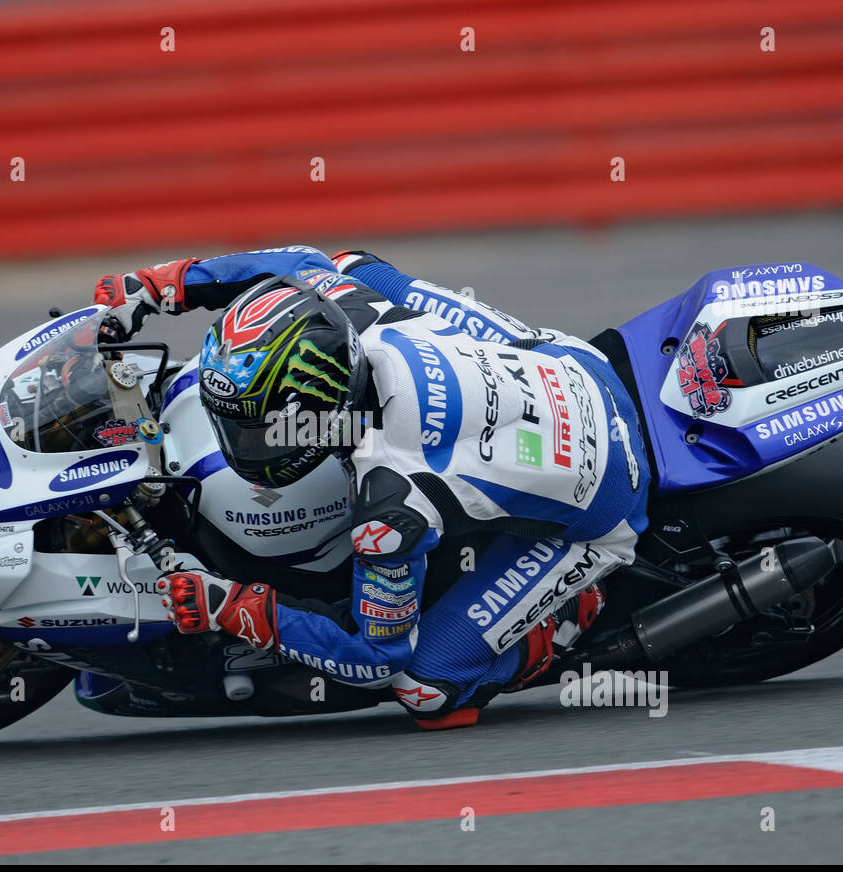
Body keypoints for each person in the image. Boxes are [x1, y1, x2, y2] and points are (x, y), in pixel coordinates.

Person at [93, 246, 649, 728]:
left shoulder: (388, 500)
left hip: (604, 494)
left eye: (256, 431)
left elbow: (374, 656)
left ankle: (573, 611)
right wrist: (161, 286)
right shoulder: (353, 311)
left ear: (319, 413)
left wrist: (231, 606)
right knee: (354, 265)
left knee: (428, 690)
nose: (241, 443)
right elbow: (299, 263)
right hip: (572, 362)